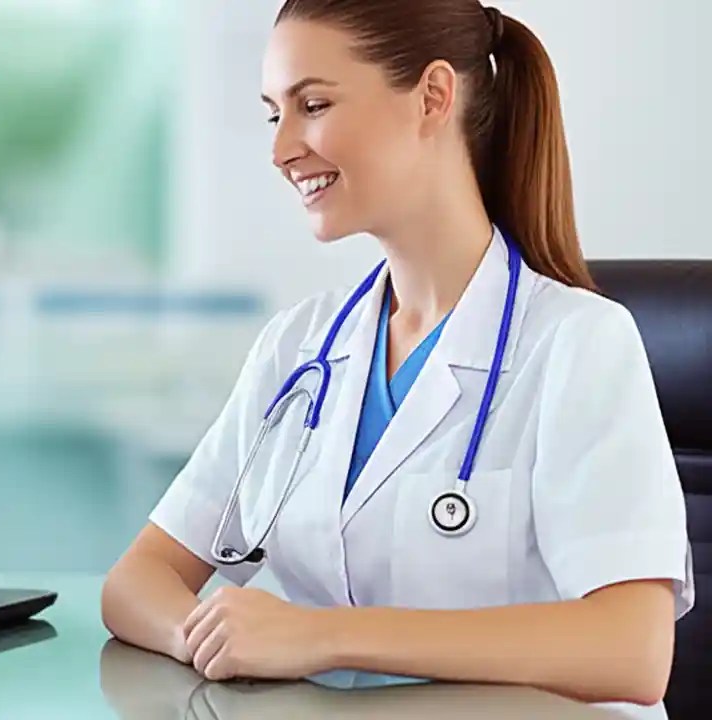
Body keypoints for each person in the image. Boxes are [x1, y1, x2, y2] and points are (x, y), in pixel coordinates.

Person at [100, 2, 694, 717]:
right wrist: (218, 639)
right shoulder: (300, 348)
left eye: (312, 104)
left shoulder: (579, 342)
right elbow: (138, 580)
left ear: (434, 97)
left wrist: (325, 637)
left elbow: (629, 650)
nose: (281, 148)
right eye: (273, 114)